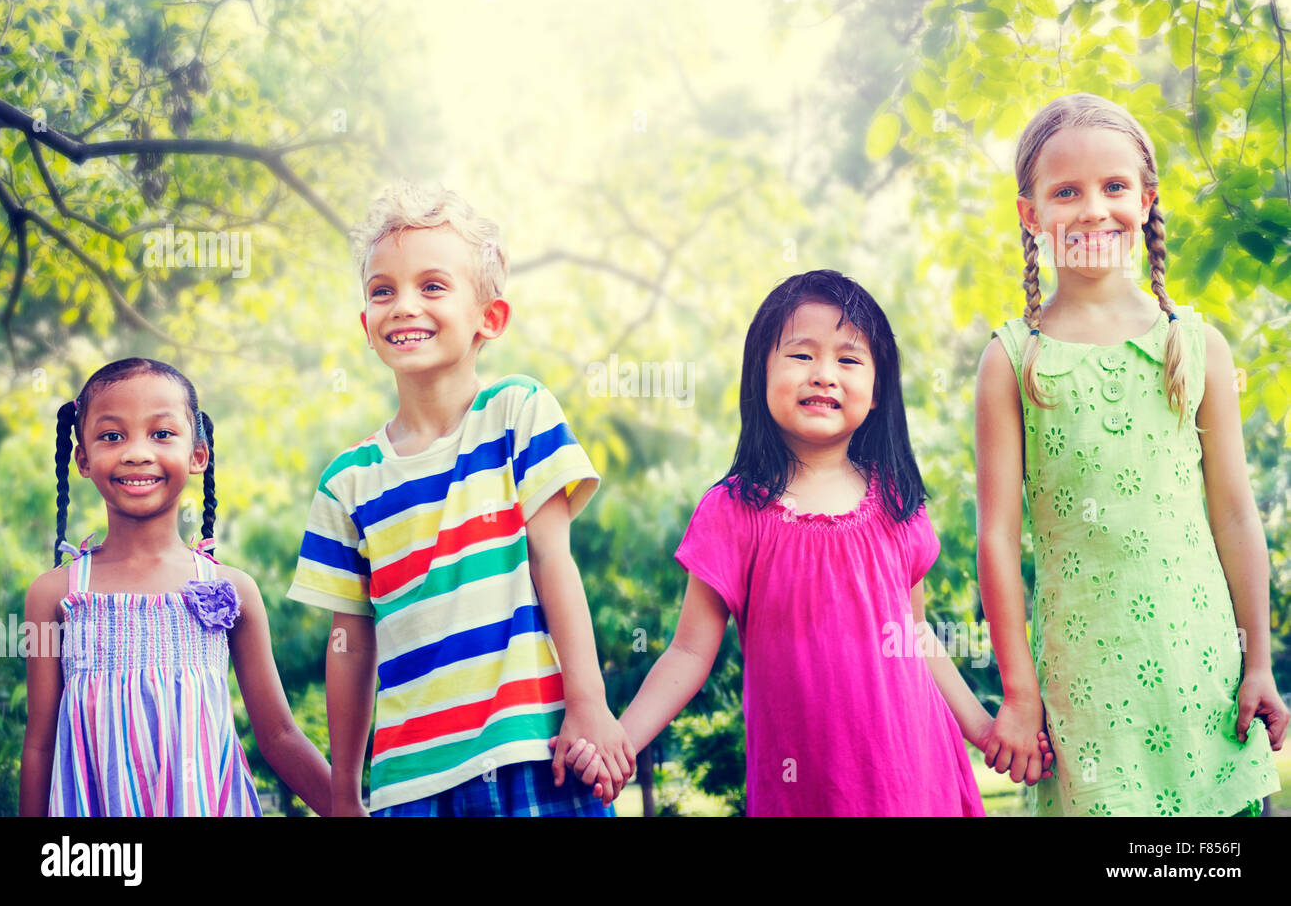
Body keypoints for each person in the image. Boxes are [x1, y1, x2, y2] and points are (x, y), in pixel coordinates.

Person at [567, 270, 1043, 815]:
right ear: (760, 374)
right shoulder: (733, 511)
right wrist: (621, 739)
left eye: (848, 359)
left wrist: (983, 729)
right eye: (800, 356)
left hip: (913, 775)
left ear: (878, 387)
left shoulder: (896, 506)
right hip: (806, 786)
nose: (823, 375)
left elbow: (914, 636)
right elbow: (690, 651)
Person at [976, 92, 1287, 815]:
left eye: (1114, 187)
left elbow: (1237, 516)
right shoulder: (1014, 361)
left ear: (1147, 200)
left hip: (1206, 688)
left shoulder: (1196, 344)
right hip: (1087, 698)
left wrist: (1260, 664)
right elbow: (997, 537)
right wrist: (1019, 693)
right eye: (1066, 192)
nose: (1093, 210)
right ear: (1031, 215)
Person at [287, 182, 632, 816]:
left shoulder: (517, 412)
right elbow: (350, 642)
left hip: (533, 749)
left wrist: (589, 704)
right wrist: (342, 795)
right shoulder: (347, 482)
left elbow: (554, 559)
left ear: (489, 318)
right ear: (366, 324)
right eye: (383, 290)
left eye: (433, 286)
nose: (403, 306)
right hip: (409, 787)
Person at [19, 358, 331, 816]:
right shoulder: (52, 596)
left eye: (161, 433)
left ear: (198, 454)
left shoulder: (232, 589)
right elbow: (40, 745)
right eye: (112, 436)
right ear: (82, 458)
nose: (136, 452)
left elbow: (280, 735)